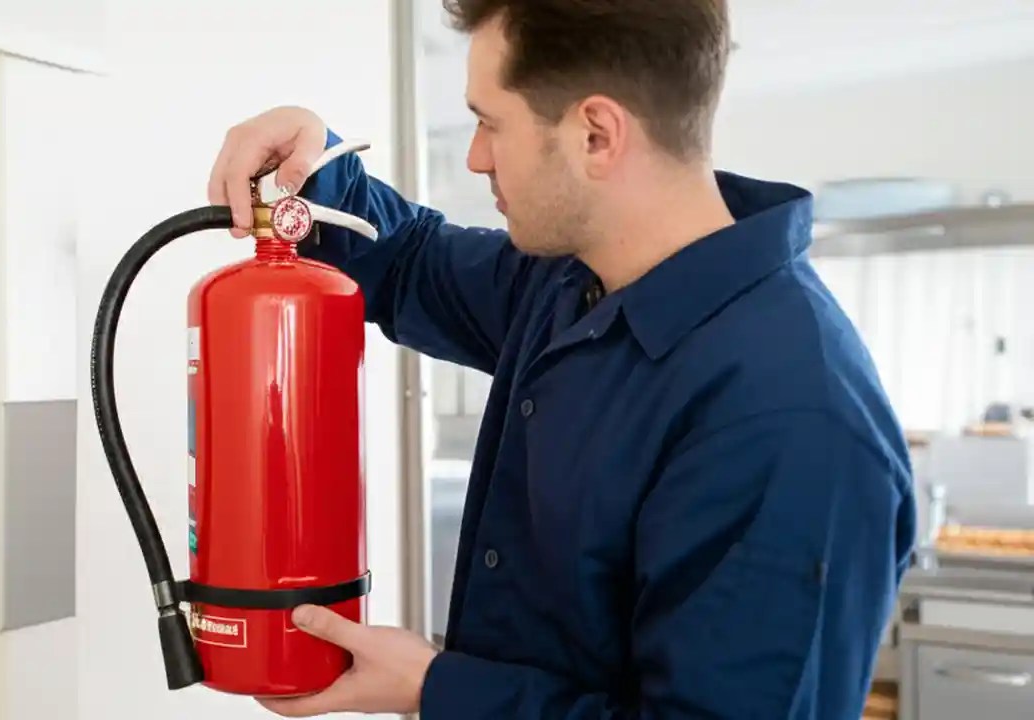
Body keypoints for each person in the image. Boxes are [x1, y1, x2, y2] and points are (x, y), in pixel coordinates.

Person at [207, 1, 916, 717]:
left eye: (490, 122)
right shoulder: (569, 282)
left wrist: (435, 688)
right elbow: (414, 260)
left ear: (596, 135)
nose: (476, 156)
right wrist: (317, 164)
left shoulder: (793, 421)